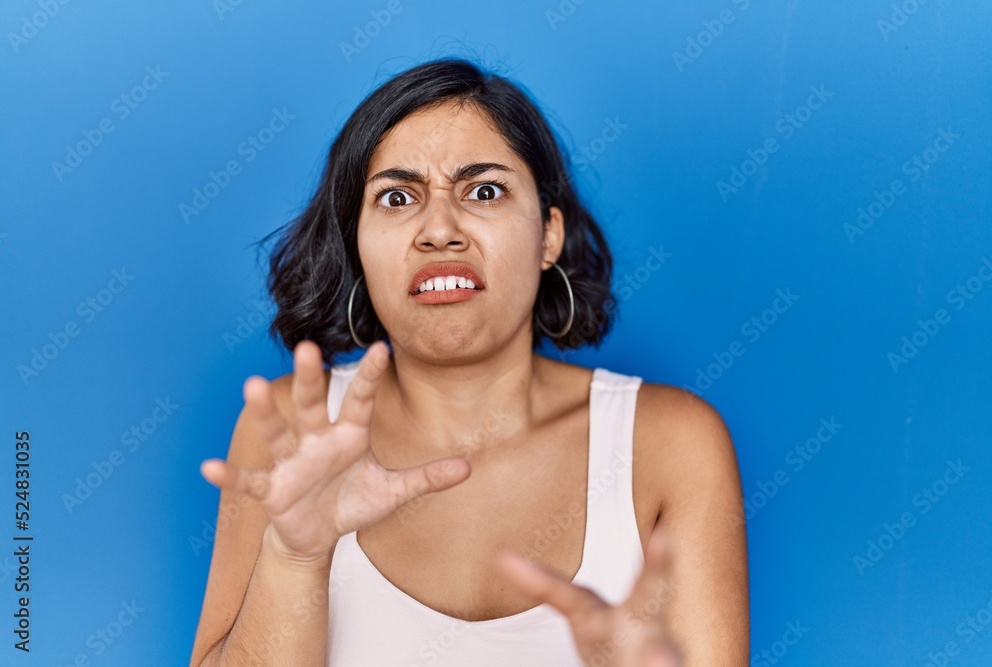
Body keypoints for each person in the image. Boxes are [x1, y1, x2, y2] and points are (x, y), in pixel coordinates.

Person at [189, 57, 749, 666]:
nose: (439, 229)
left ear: (548, 236)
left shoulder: (672, 444)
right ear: (357, 245)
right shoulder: (290, 433)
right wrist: (294, 557)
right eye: (397, 197)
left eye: (484, 191)